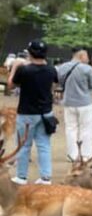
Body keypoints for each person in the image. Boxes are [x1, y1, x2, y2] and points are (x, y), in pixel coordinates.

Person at [7, 39, 58, 185]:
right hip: (46, 113)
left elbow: (10, 85)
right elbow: (54, 85)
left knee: (23, 144)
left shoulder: (24, 70)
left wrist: (15, 66)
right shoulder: (51, 69)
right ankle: (45, 177)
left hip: (27, 113)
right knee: (44, 145)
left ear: (30, 53)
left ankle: (21, 176)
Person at [57, 48, 92, 163]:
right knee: (86, 129)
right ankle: (86, 154)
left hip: (69, 102)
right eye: (87, 56)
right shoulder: (87, 69)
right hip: (85, 102)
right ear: (81, 56)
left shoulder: (63, 67)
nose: (88, 59)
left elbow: (60, 81)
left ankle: (72, 154)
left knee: (70, 128)